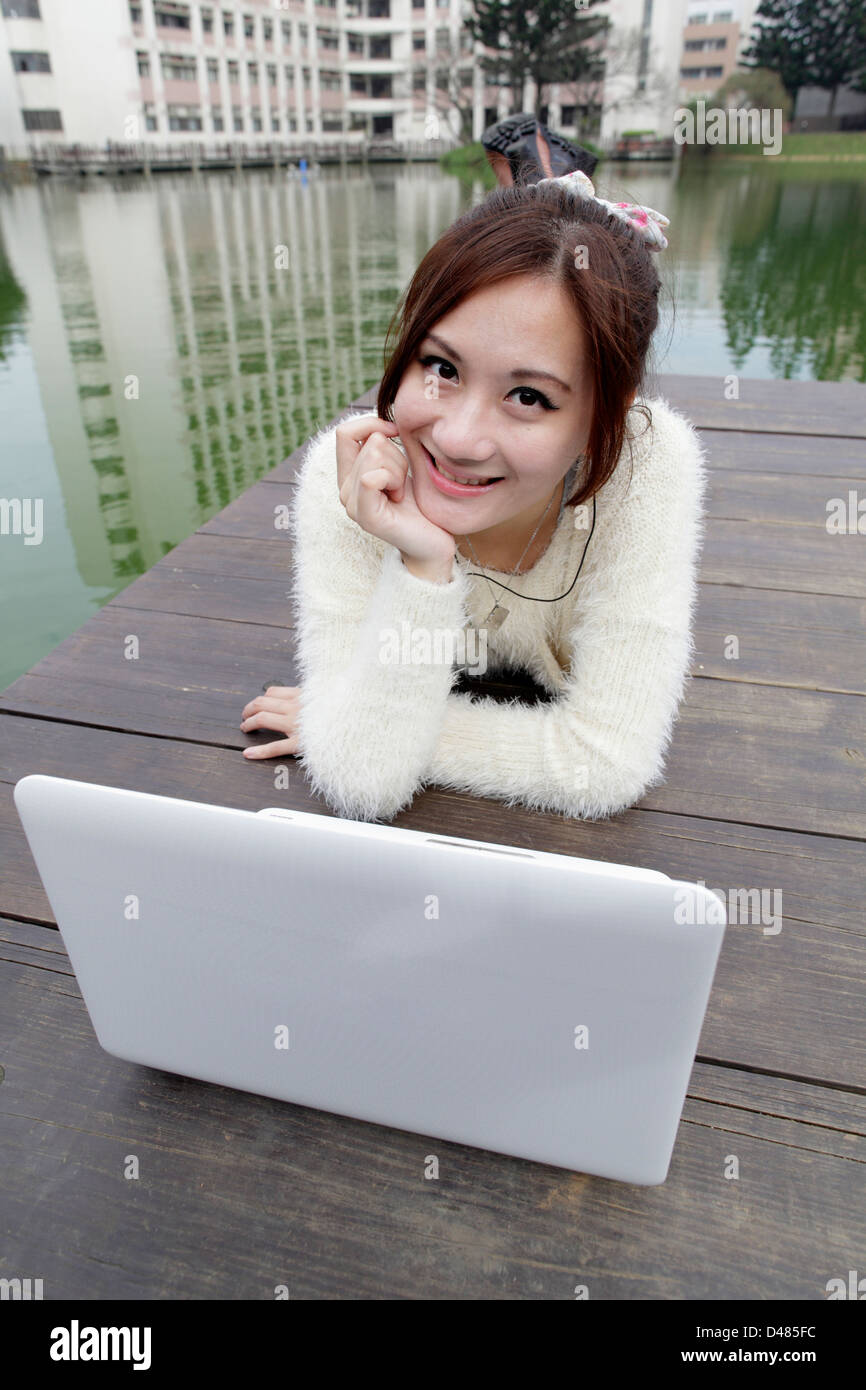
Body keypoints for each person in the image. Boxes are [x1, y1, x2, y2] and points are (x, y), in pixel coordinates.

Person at [239, 160, 707, 826]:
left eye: (528, 396)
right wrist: (423, 565)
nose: (458, 439)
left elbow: (604, 763)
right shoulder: (353, 475)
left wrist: (349, 717)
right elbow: (364, 782)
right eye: (441, 367)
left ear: (607, 416)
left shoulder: (648, 466)